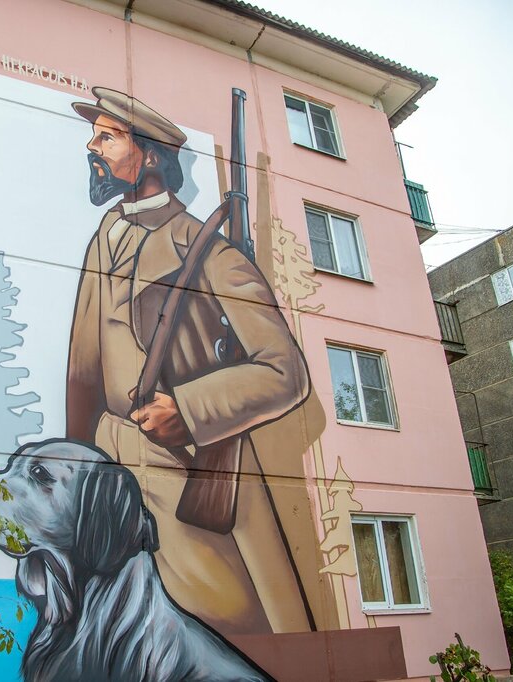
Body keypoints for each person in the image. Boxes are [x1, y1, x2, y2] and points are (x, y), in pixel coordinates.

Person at [66, 87, 333, 636]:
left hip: (180, 466)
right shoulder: (105, 238)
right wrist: (76, 465)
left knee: (204, 631)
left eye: (106, 137)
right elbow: (83, 370)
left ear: (151, 157)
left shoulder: (208, 250)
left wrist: (188, 409)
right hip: (109, 467)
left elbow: (285, 369)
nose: (91, 148)